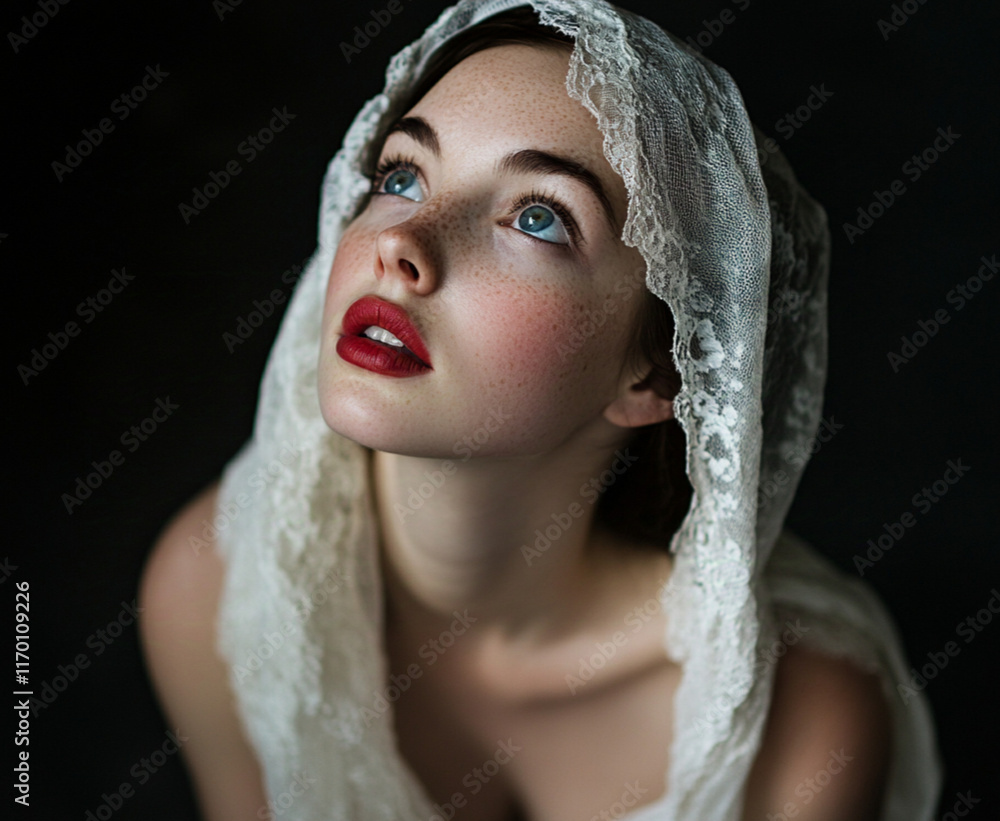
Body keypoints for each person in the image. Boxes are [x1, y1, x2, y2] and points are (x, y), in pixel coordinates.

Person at [137, 2, 943, 819]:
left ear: (658, 375)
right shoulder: (216, 594)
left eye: (537, 217)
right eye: (401, 175)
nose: (402, 243)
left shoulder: (801, 728)